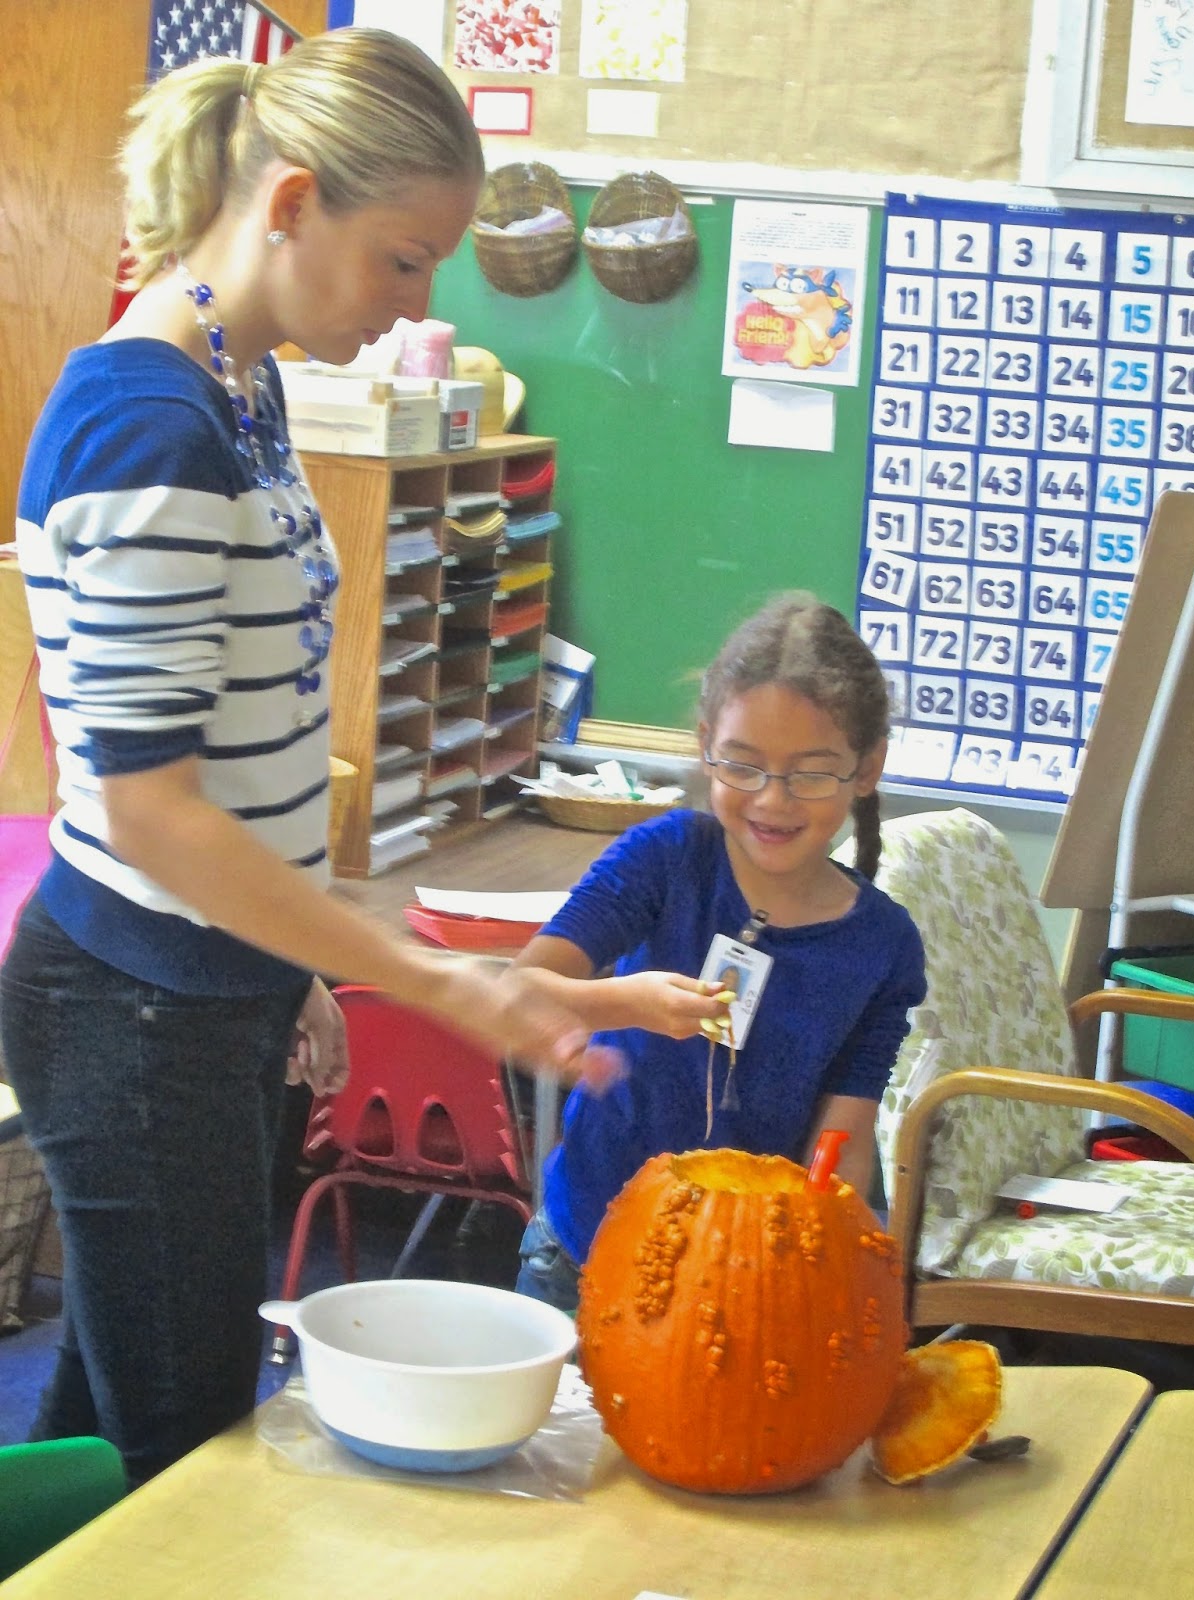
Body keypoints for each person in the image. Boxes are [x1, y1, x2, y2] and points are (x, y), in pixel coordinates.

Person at [0, 29, 718, 1486]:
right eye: (403, 259)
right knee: (183, 1454)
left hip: (201, 993)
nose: (417, 305)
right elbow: (151, 811)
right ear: (289, 203)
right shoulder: (149, 423)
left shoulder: (238, 388)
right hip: (131, 1009)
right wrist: (435, 977)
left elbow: (241, 748)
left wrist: (298, 967)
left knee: (106, 1427)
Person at [513, 592, 927, 1314]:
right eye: (743, 765)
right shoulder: (667, 857)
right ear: (706, 745)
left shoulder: (881, 943)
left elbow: (844, 1139)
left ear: (867, 767)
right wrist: (626, 1003)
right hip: (583, 1254)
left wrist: (827, 1262)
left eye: (811, 772)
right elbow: (521, 994)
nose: (773, 800)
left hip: (740, 1282)